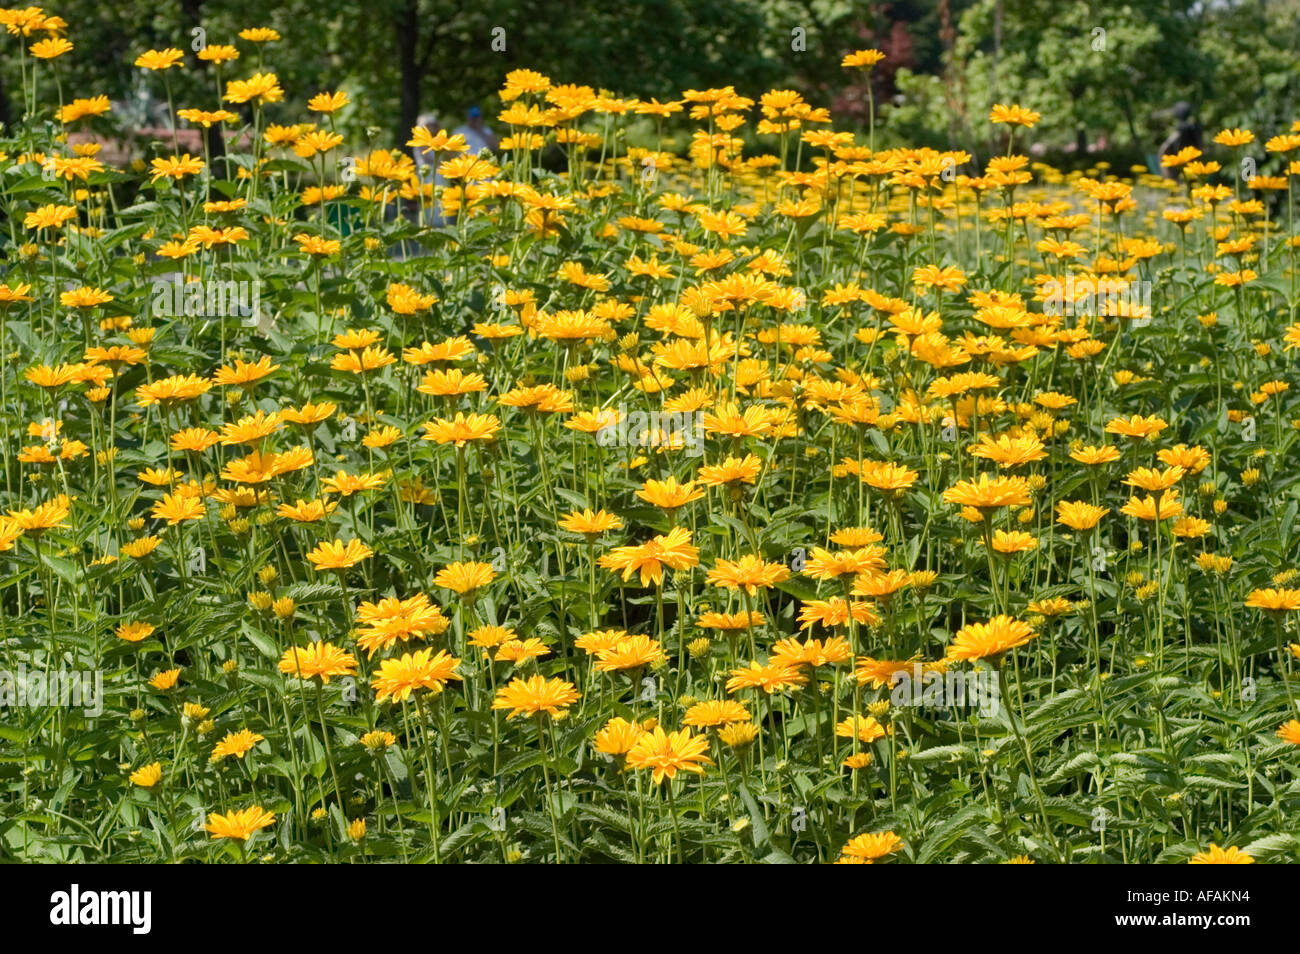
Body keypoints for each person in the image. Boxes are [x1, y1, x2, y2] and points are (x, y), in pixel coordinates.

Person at [1157, 101, 1202, 180]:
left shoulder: (1182, 129)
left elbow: (1164, 149)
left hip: (1184, 164)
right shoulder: (1194, 127)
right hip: (1191, 164)